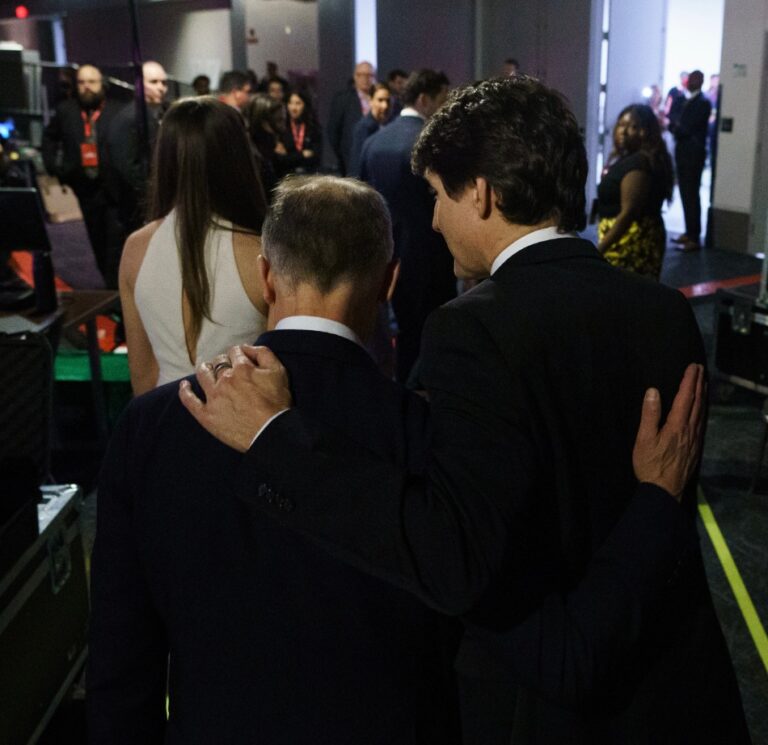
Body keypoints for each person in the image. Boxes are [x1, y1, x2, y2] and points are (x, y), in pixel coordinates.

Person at [182, 77, 750, 745]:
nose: (431, 220)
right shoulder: (667, 313)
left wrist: (278, 440)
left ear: (479, 191)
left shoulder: (470, 330)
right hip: (677, 695)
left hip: (544, 708)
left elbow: (452, 556)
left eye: (436, 195)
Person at [88, 176, 462, 744]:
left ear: (265, 275)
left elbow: (121, 653)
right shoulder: (422, 430)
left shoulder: (155, 426)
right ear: (389, 283)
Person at [118, 97, 268, 395]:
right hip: (243, 429)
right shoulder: (261, 253)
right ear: (238, 159)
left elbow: (143, 378)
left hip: (164, 425)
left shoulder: (136, 248)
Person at [359, 68, 454, 383]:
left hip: (382, 255)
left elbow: (361, 202)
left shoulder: (373, 142)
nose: (446, 107)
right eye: (444, 99)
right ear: (425, 99)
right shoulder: (431, 145)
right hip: (429, 257)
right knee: (425, 339)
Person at [42, 63, 123, 287]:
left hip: (113, 186)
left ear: (102, 85)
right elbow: (49, 138)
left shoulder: (117, 110)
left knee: (115, 240)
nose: (86, 87)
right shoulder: (66, 110)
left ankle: (116, 289)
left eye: (92, 82)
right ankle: (109, 288)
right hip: (84, 186)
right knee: (96, 237)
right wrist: (56, 168)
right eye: (81, 82)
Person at [597, 104, 674, 279]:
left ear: (645, 132)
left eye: (632, 126)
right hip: (624, 238)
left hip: (629, 240)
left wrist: (600, 248)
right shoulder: (630, 158)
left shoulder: (638, 164)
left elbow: (629, 213)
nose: (623, 131)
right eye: (621, 125)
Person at [108, 60, 170, 234]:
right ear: (139, 84)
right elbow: (125, 164)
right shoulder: (130, 118)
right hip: (139, 203)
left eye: (164, 83)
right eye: (154, 82)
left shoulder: (159, 113)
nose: (161, 88)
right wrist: (150, 191)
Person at [669, 70, 712, 252]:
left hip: (693, 155)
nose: (690, 82)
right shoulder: (684, 100)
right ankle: (688, 232)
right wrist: (676, 126)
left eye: (694, 79)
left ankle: (694, 236)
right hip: (684, 153)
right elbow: (675, 122)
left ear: (700, 81)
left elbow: (684, 127)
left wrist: (676, 126)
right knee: (686, 195)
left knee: (692, 195)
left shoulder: (703, 103)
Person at [327, 61, 375, 174]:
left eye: (369, 75)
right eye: (361, 75)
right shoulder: (343, 99)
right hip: (350, 159)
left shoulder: (380, 99)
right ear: (355, 77)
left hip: (375, 157)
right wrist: (343, 154)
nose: (365, 79)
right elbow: (333, 131)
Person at [245, 93, 290, 197]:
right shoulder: (254, 155)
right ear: (264, 123)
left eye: (284, 120)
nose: (283, 127)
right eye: (279, 120)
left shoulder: (268, 149)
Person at [348, 83, 391, 177]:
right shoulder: (363, 127)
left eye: (388, 101)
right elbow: (357, 163)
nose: (385, 105)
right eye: (380, 100)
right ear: (370, 101)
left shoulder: (390, 126)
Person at [281, 90, 322, 174]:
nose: (293, 108)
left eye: (298, 103)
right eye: (290, 103)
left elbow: (316, 156)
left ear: (305, 105)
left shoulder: (313, 127)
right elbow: (280, 159)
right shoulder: (281, 127)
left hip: (308, 176)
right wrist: (302, 155)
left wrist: (291, 156)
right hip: (286, 176)